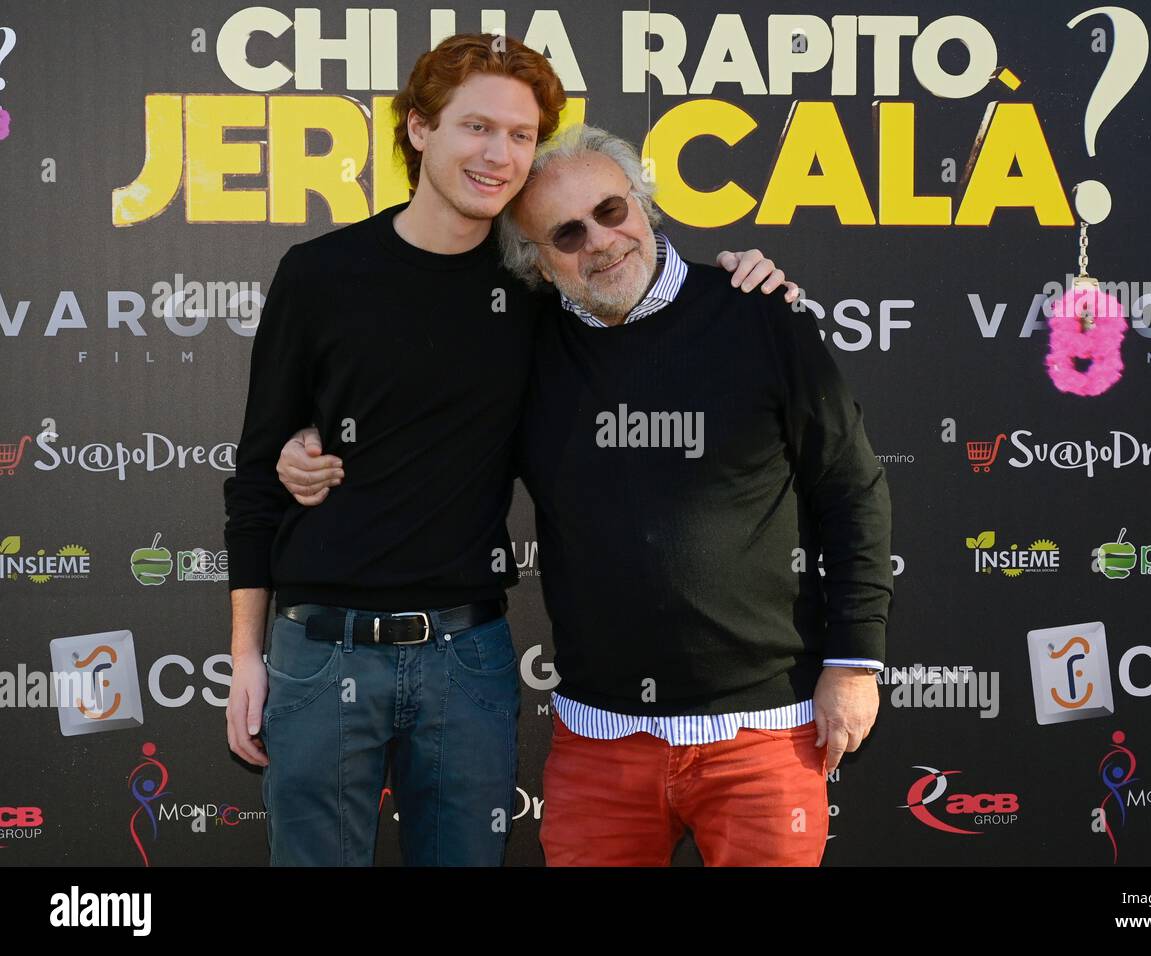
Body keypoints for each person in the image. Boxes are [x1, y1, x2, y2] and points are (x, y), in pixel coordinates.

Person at [224, 34, 796, 867]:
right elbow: (257, 473)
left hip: (468, 657)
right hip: (319, 651)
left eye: (521, 135)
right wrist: (246, 655)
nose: (499, 155)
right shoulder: (320, 273)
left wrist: (743, 280)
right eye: (476, 127)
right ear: (419, 129)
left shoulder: (541, 280)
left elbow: (644, 299)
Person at [280, 125, 893, 866]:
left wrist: (855, 664)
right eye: (566, 233)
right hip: (599, 744)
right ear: (535, 263)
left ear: (644, 203)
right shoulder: (520, 348)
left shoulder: (756, 310)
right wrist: (305, 441)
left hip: (763, 734)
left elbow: (851, 490)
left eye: (611, 209)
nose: (601, 241)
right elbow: (414, 425)